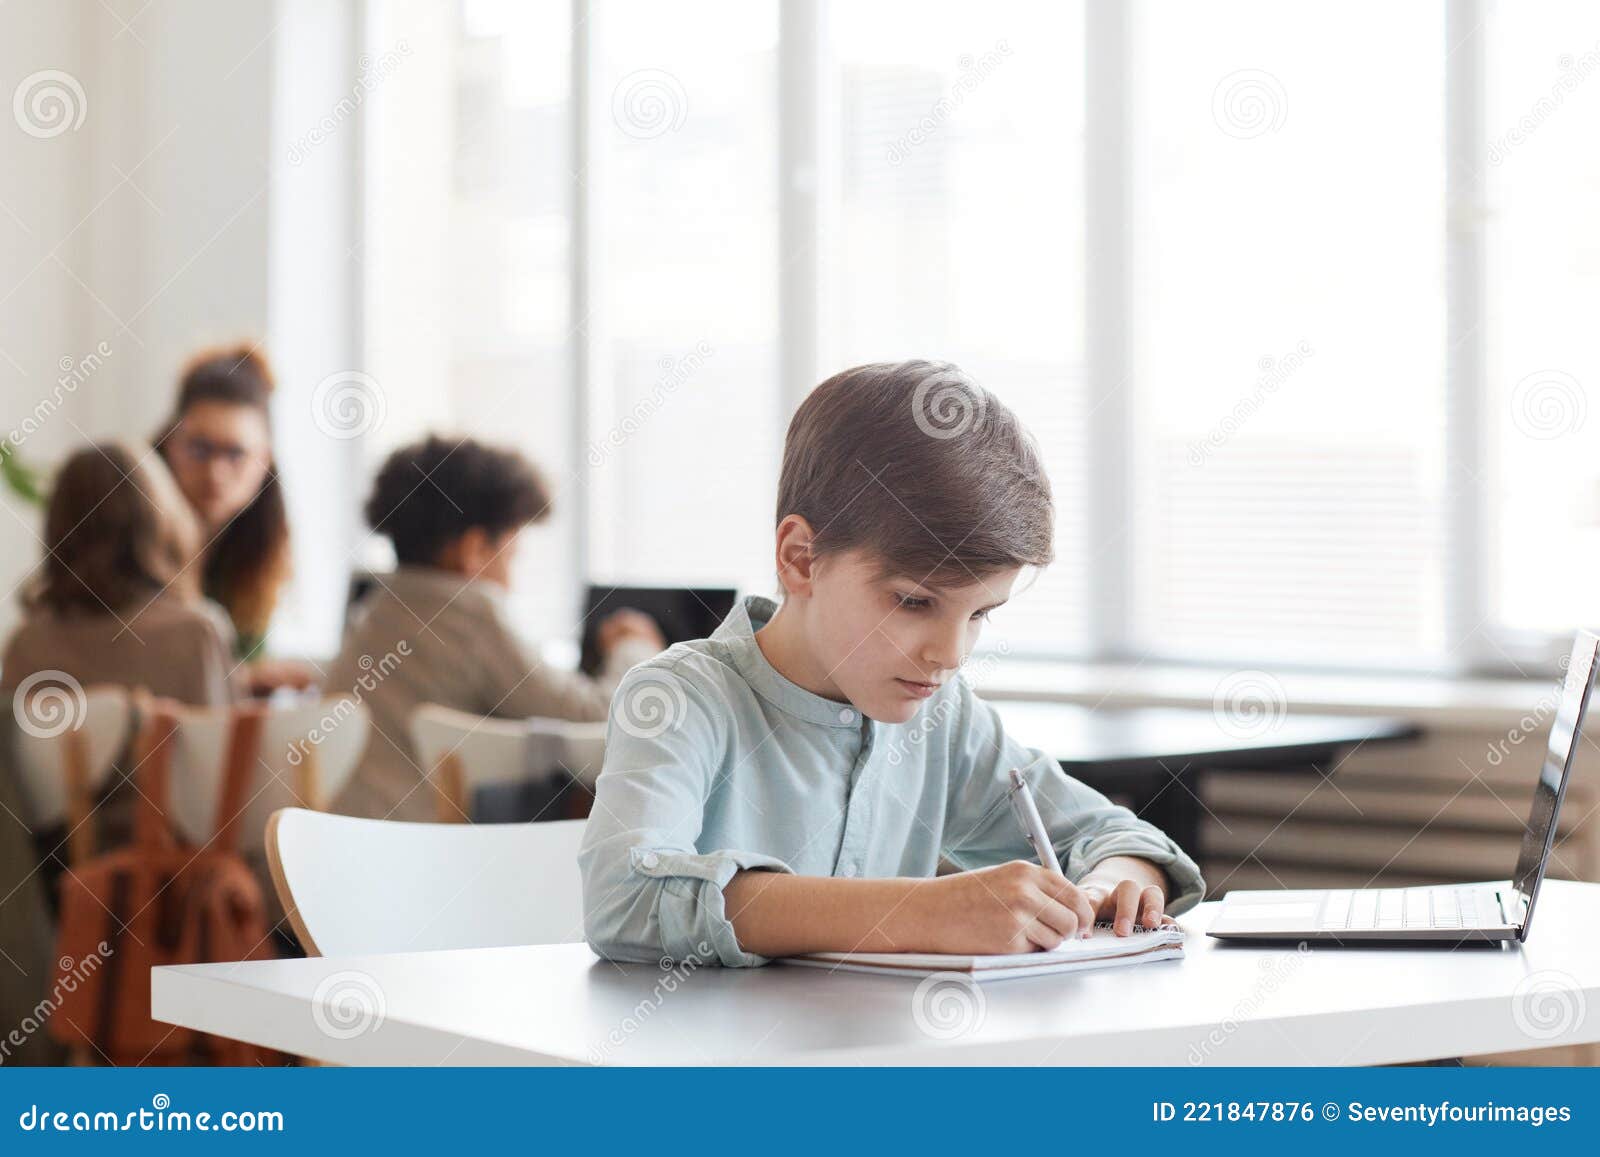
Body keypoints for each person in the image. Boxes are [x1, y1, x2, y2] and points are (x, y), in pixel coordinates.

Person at [579, 361, 1206, 966]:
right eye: (913, 601)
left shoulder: (943, 717)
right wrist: (921, 911)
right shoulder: (683, 699)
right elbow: (628, 901)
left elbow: (1117, 838)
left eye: (980, 614)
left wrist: (1111, 885)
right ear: (801, 559)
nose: (951, 654)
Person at [329, 434, 664, 823]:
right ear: (474, 550)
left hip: (340, 836)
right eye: (511, 556)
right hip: (418, 850)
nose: (512, 581)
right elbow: (598, 716)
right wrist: (635, 646)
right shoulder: (469, 613)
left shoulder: (377, 606)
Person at [156, 343, 306, 692]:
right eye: (200, 448)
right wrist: (242, 680)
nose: (215, 472)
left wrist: (248, 679)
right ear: (169, 445)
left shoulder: (260, 551)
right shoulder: (125, 533)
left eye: (236, 453)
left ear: (265, 460)